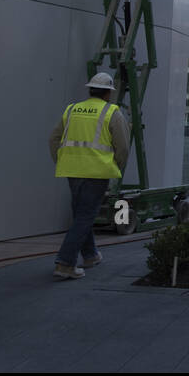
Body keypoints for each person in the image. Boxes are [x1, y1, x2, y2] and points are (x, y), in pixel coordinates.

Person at [47, 73, 130, 280]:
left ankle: (91, 255)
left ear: (90, 89)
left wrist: (62, 160)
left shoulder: (72, 109)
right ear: (108, 93)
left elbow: (54, 139)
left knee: (81, 214)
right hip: (96, 171)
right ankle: (65, 263)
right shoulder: (112, 112)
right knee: (85, 216)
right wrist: (116, 167)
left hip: (72, 171)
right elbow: (123, 147)